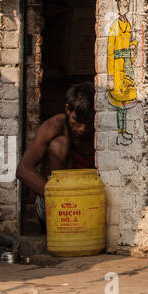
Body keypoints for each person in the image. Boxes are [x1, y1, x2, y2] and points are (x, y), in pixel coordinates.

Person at [18, 83, 96, 228]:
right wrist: (60, 197)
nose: (83, 129)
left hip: (89, 205)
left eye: (88, 123)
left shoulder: (100, 130)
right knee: (59, 145)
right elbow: (23, 170)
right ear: (67, 109)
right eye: (76, 121)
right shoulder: (54, 126)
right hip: (55, 206)